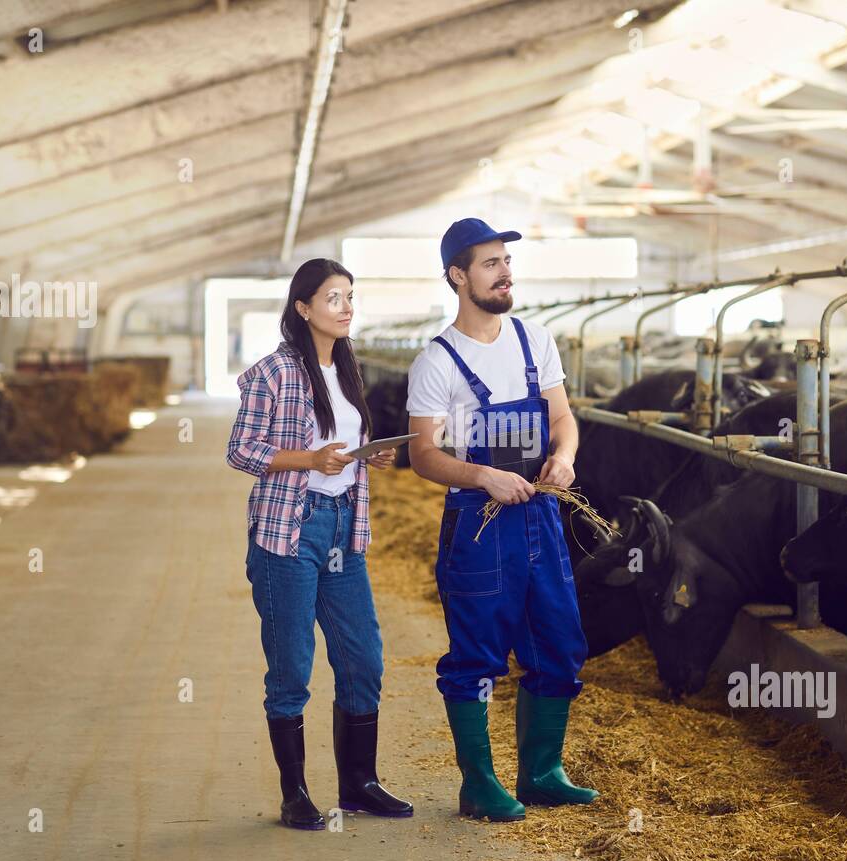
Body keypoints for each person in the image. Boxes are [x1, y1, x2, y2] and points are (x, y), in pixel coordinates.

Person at [405, 219, 599, 822]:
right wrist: (484, 476)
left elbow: (563, 419)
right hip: (481, 524)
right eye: (490, 263)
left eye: (506, 261)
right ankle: (479, 784)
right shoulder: (436, 362)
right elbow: (423, 455)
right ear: (457, 277)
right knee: (477, 655)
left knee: (560, 644)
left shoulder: (533, 339)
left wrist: (563, 457)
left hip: (541, 516)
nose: (505, 272)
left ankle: (541, 773)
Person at [226, 257, 412, 830]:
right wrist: (309, 460)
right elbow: (241, 450)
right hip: (290, 530)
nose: (347, 306)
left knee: (363, 656)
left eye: (351, 296)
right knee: (292, 665)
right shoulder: (273, 374)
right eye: (334, 298)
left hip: (343, 528)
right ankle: (295, 794)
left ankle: (359, 783)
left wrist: (370, 456)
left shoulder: (348, 370)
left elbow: (344, 447)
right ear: (303, 308)